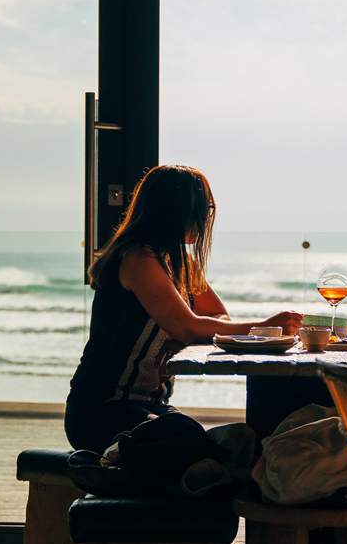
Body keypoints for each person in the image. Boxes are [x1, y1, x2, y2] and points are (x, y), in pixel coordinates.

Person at [65, 164, 302, 453]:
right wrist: (264, 328)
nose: (206, 218)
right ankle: (112, 463)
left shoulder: (179, 262)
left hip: (149, 406)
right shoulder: (140, 258)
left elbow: (216, 317)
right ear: (177, 211)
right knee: (192, 439)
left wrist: (181, 334)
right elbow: (191, 327)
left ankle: (130, 461)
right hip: (101, 410)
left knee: (217, 438)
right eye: (204, 209)